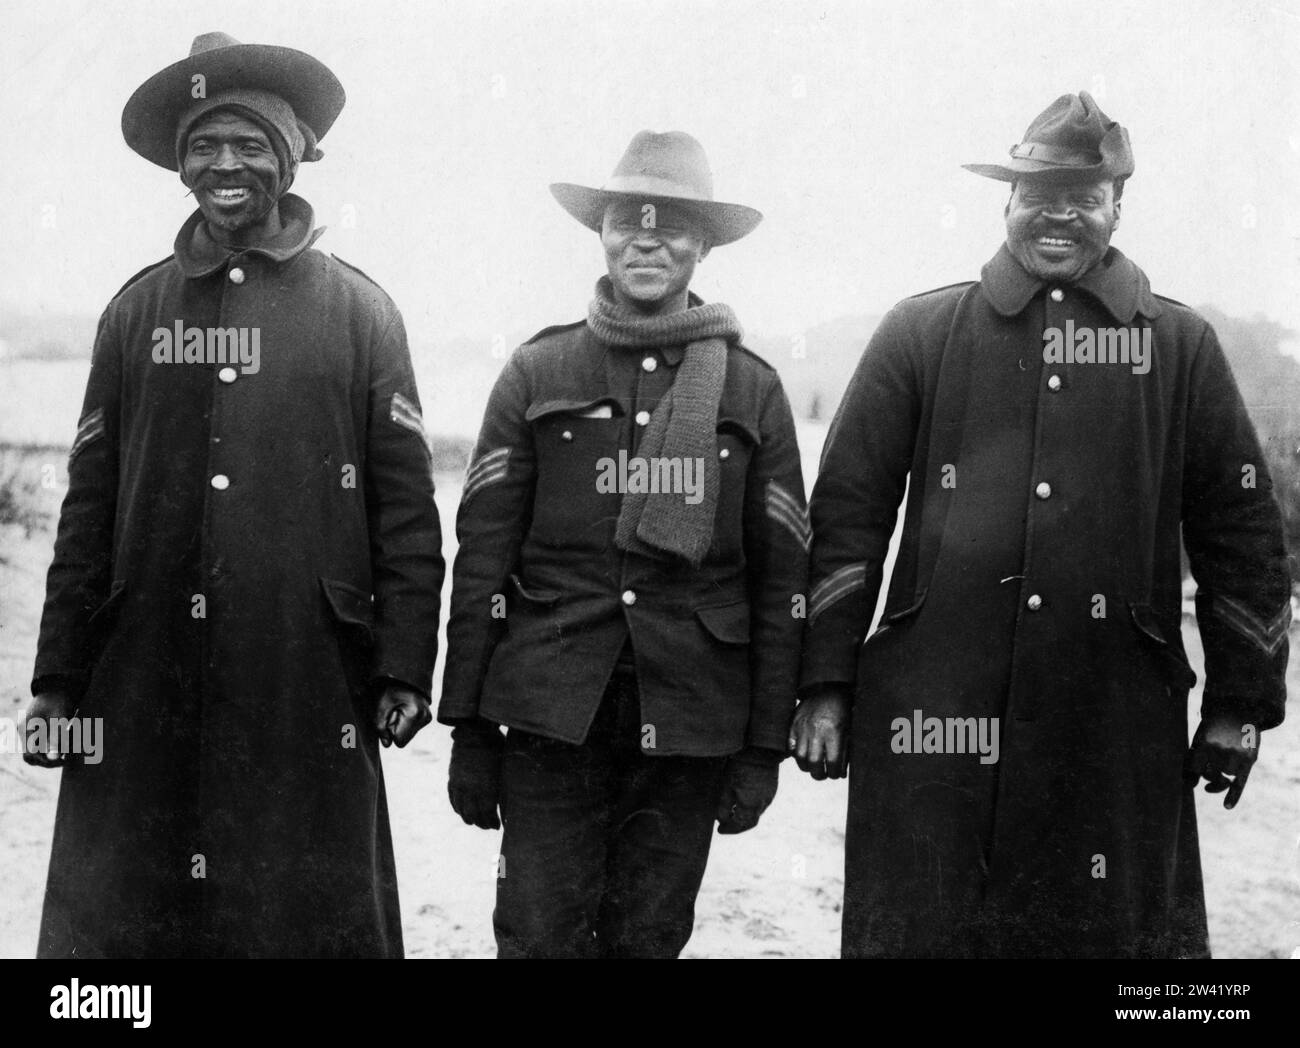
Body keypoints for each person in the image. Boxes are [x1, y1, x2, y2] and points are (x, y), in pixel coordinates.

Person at [791, 92, 1291, 958]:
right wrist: (827, 682)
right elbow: (846, 516)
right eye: (1038, 193)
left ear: (1117, 208)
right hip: (934, 718)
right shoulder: (921, 330)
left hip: (1115, 718)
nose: (1059, 214)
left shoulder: (1179, 346)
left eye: (1083, 196)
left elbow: (1242, 538)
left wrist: (1238, 705)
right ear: (1007, 201)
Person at [23, 32, 444, 958]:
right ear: (182, 166)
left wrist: (406, 665)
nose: (226, 165)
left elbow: (406, 512)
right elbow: (87, 510)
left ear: (288, 160)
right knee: (128, 925)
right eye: (205, 147)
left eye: (250, 145)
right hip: (142, 674)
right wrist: (57, 682)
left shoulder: (360, 313)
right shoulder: (135, 312)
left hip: (305, 673)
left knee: (297, 914)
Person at [439, 131, 808, 958]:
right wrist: (465, 724)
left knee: (647, 936)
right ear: (600, 234)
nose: (647, 239)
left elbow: (783, 577)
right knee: (537, 934)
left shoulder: (752, 390)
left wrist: (762, 746)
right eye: (626, 222)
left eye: (672, 225)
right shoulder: (540, 370)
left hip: (690, 715)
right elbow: (483, 554)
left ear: (703, 244)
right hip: (549, 711)